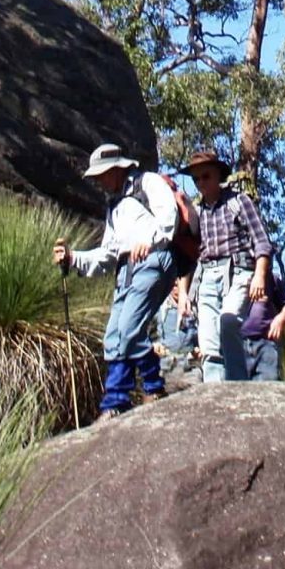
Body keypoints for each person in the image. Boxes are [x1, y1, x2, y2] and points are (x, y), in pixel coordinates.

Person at [53, 143, 178, 423]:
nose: (98, 181)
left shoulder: (149, 183)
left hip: (153, 262)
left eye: (101, 175)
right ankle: (115, 402)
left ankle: (152, 388)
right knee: (114, 335)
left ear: (116, 168)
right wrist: (73, 258)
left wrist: (149, 241)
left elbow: (169, 217)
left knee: (128, 329)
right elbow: (108, 253)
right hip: (126, 271)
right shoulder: (115, 207)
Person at [178, 150, 273, 382]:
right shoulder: (196, 213)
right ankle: (215, 392)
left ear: (218, 175)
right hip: (206, 276)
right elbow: (188, 257)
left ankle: (237, 384)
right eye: (196, 179)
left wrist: (260, 275)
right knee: (208, 339)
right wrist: (183, 294)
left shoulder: (239, 202)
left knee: (229, 320)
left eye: (206, 176)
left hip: (238, 271)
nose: (201, 183)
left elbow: (262, 241)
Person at [240, 272, 285, 381]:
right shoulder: (234, 274)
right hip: (238, 343)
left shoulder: (272, 278)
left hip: (265, 342)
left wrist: (280, 319)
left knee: (268, 384)